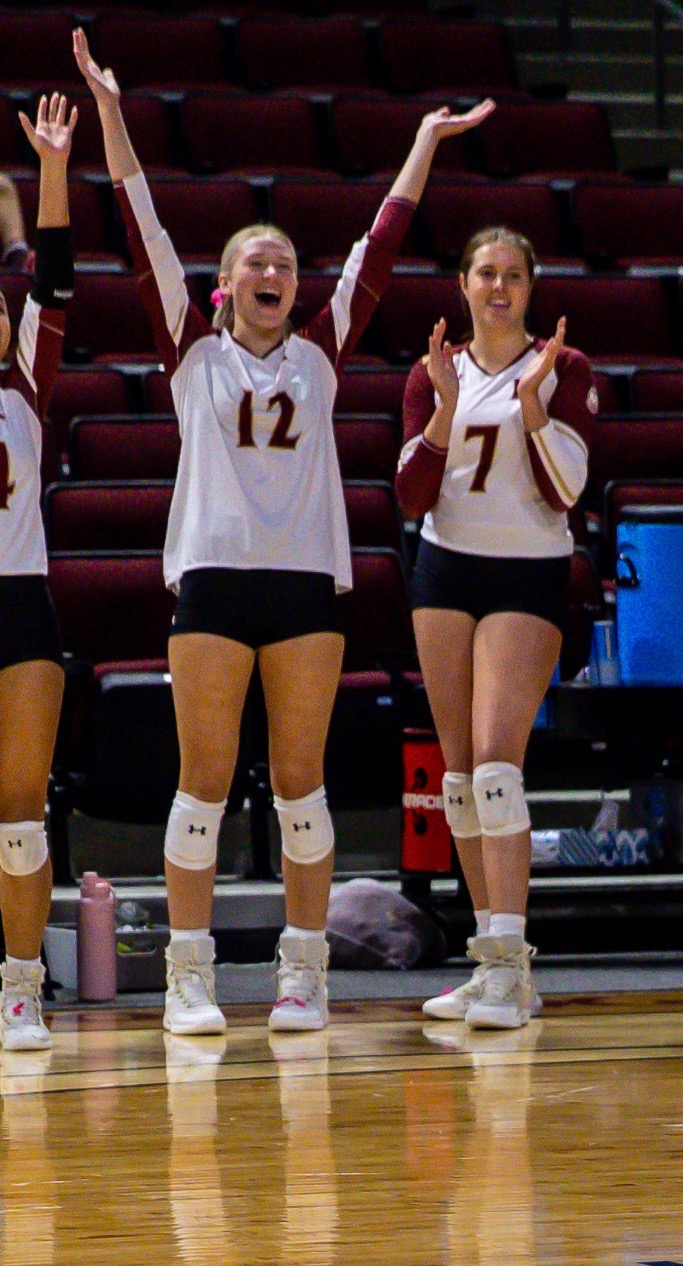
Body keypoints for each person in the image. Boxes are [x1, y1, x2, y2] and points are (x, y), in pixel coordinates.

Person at [80, 28, 493, 1036]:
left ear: (298, 287)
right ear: (226, 286)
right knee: (203, 785)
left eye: (283, 262)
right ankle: (188, 974)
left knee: (303, 787)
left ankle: (301, 975)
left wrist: (425, 144)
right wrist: (108, 110)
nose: (272, 268)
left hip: (308, 587)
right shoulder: (193, 350)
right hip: (214, 583)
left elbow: (383, 247)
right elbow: (138, 224)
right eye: (253, 261)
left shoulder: (321, 353)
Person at [397, 227, 594, 1030]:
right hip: (444, 572)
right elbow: (411, 497)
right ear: (463, 283)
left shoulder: (565, 368)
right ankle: (489, 958)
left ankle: (515, 967)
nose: (499, 287)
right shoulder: (431, 371)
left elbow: (565, 492)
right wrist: (444, 404)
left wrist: (534, 404)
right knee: (455, 779)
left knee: (494, 768)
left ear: (532, 286)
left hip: (528, 572)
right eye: (486, 273)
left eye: (514, 274)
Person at [0, 94, 76, 1051]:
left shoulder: (26, 385)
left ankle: (20, 987)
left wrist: (53, 169)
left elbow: (52, 282)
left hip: (20, 608)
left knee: (20, 813)